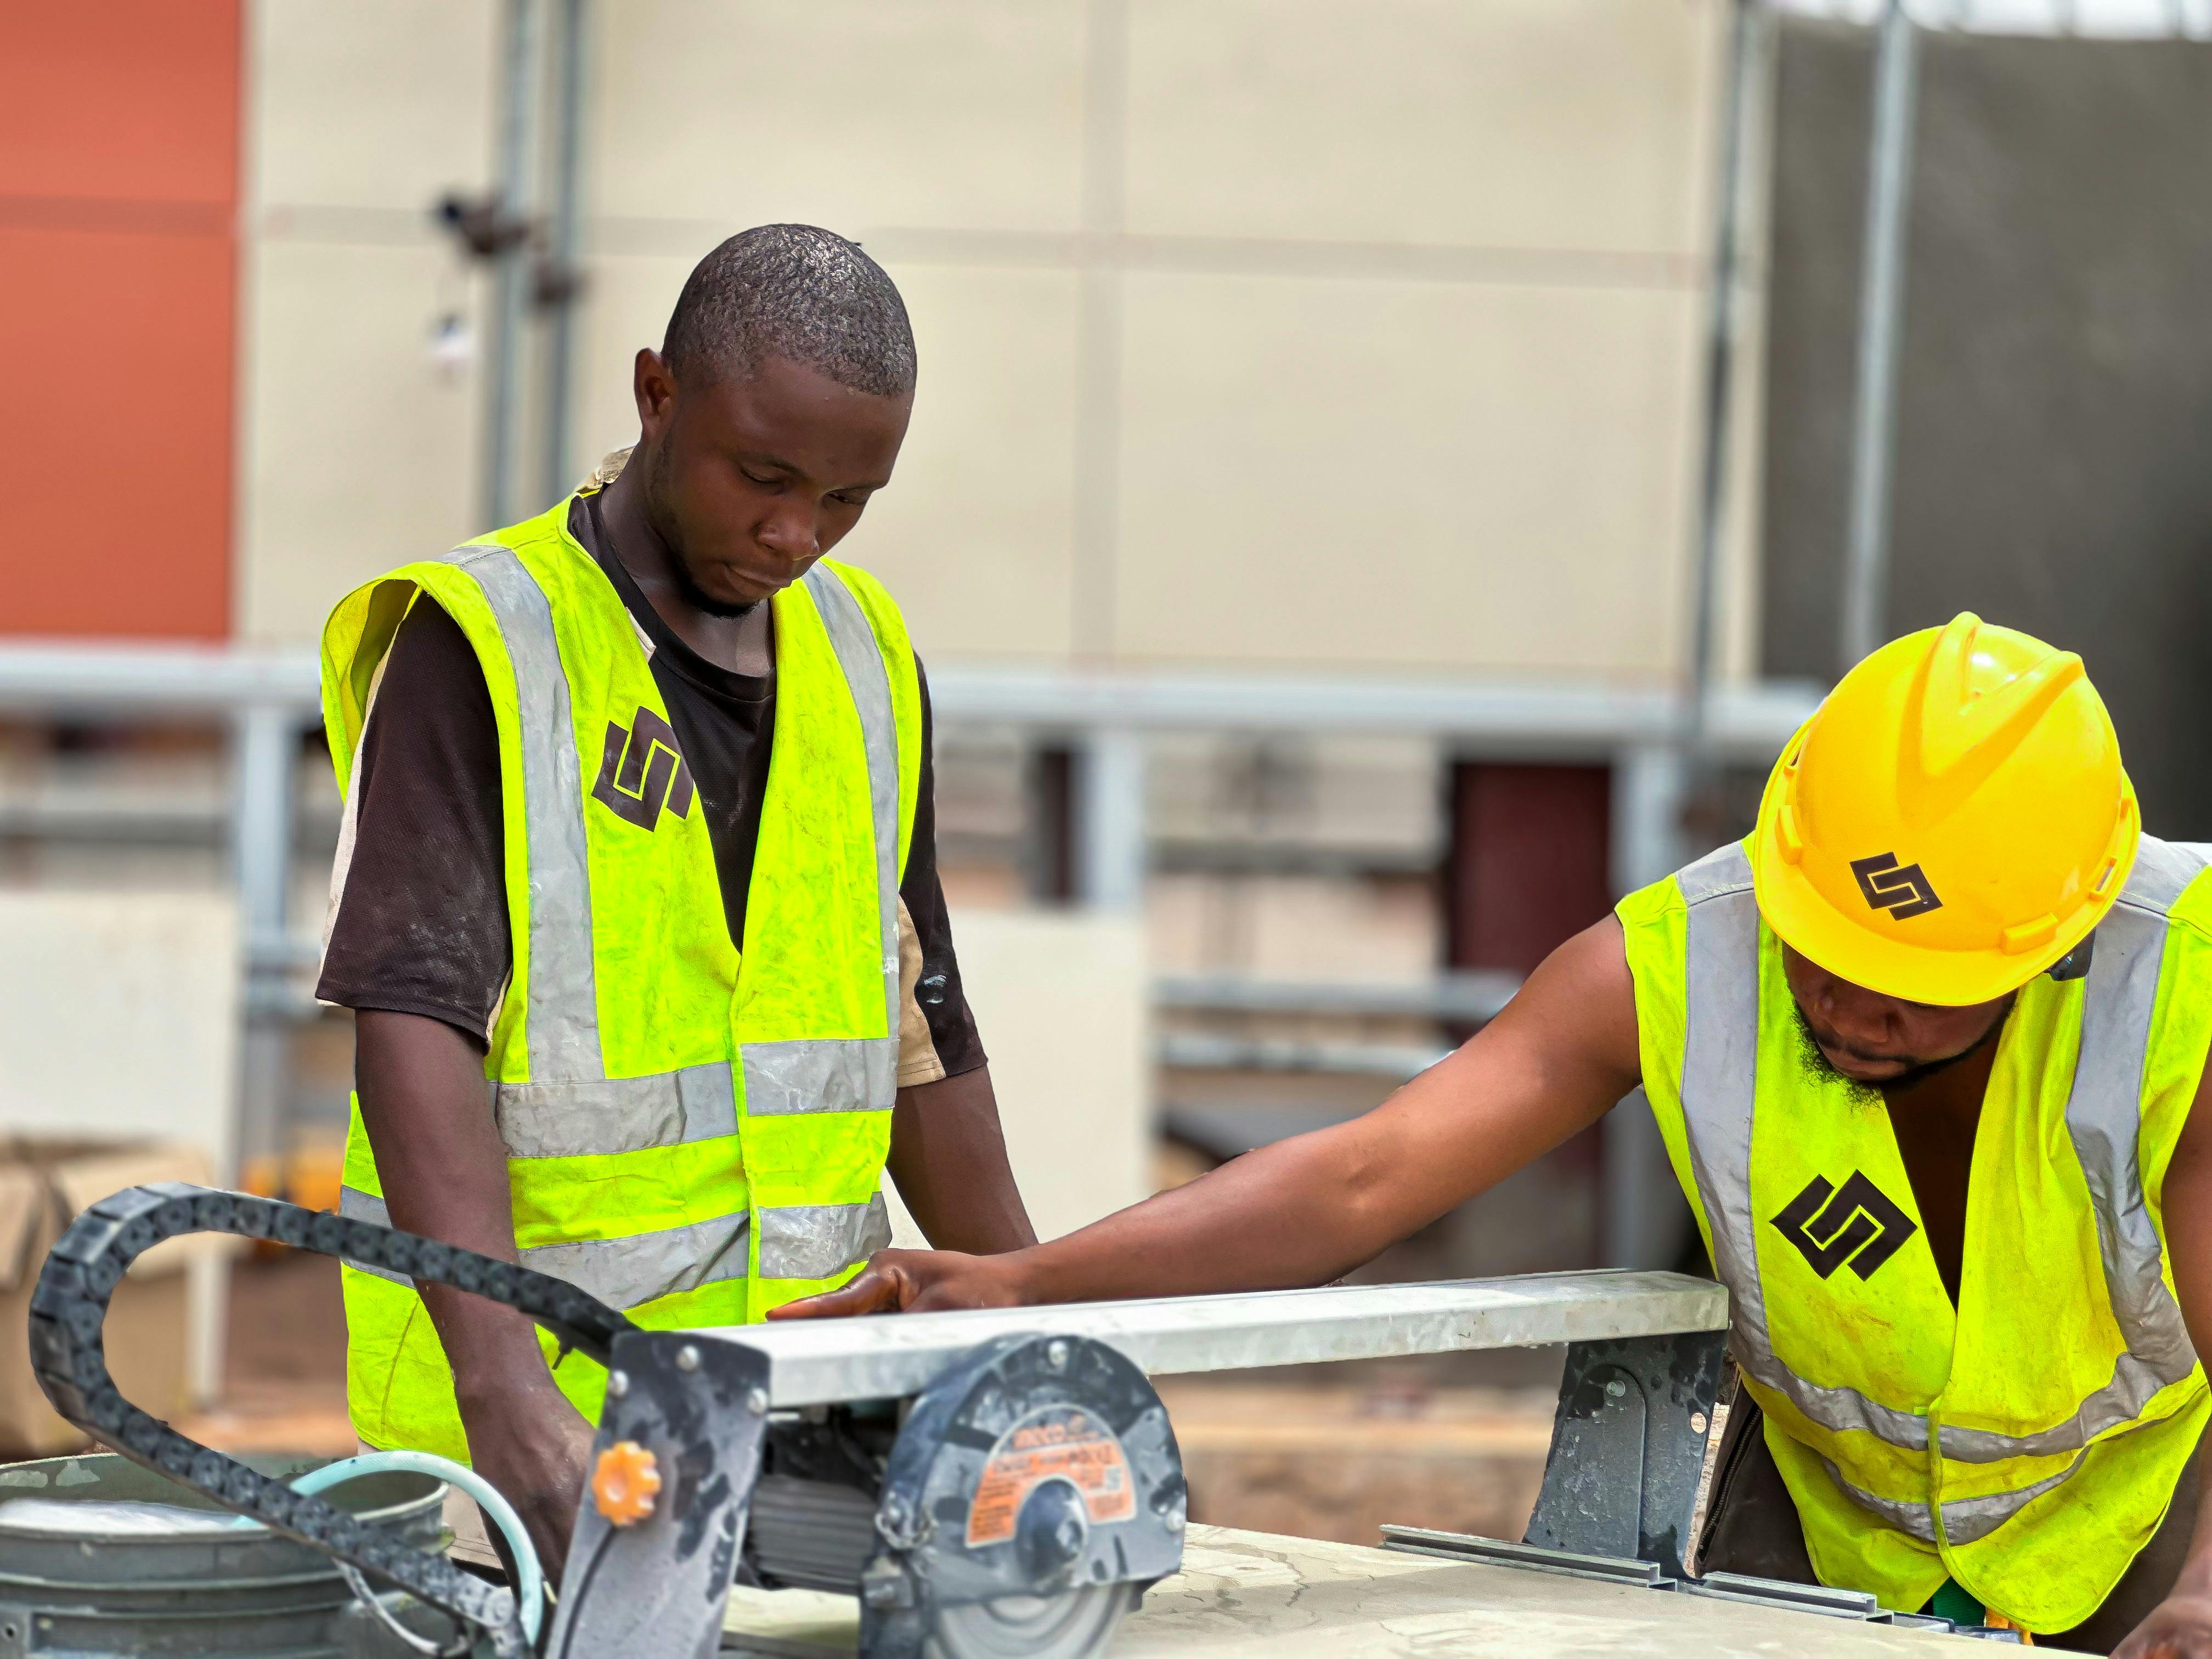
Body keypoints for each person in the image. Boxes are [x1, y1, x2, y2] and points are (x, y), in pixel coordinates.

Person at [780, 613, 2212, 1655]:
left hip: (2135, 1539)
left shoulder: (2180, 999)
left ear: (2051, 955)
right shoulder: (1680, 959)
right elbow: (1365, 1177)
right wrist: (1021, 1283)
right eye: (1817, 948)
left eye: (1910, 994)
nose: (1846, 1009)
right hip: (1823, 1531)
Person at [315, 225, 1037, 1579]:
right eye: (763, 477)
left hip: (808, 1440)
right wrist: (507, 1397)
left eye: (847, 500)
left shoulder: (865, 652)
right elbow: (413, 1021)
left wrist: (1051, 1336)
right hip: (531, 1468)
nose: (795, 534)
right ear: (657, 394)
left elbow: (922, 1028)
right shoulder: (485, 639)